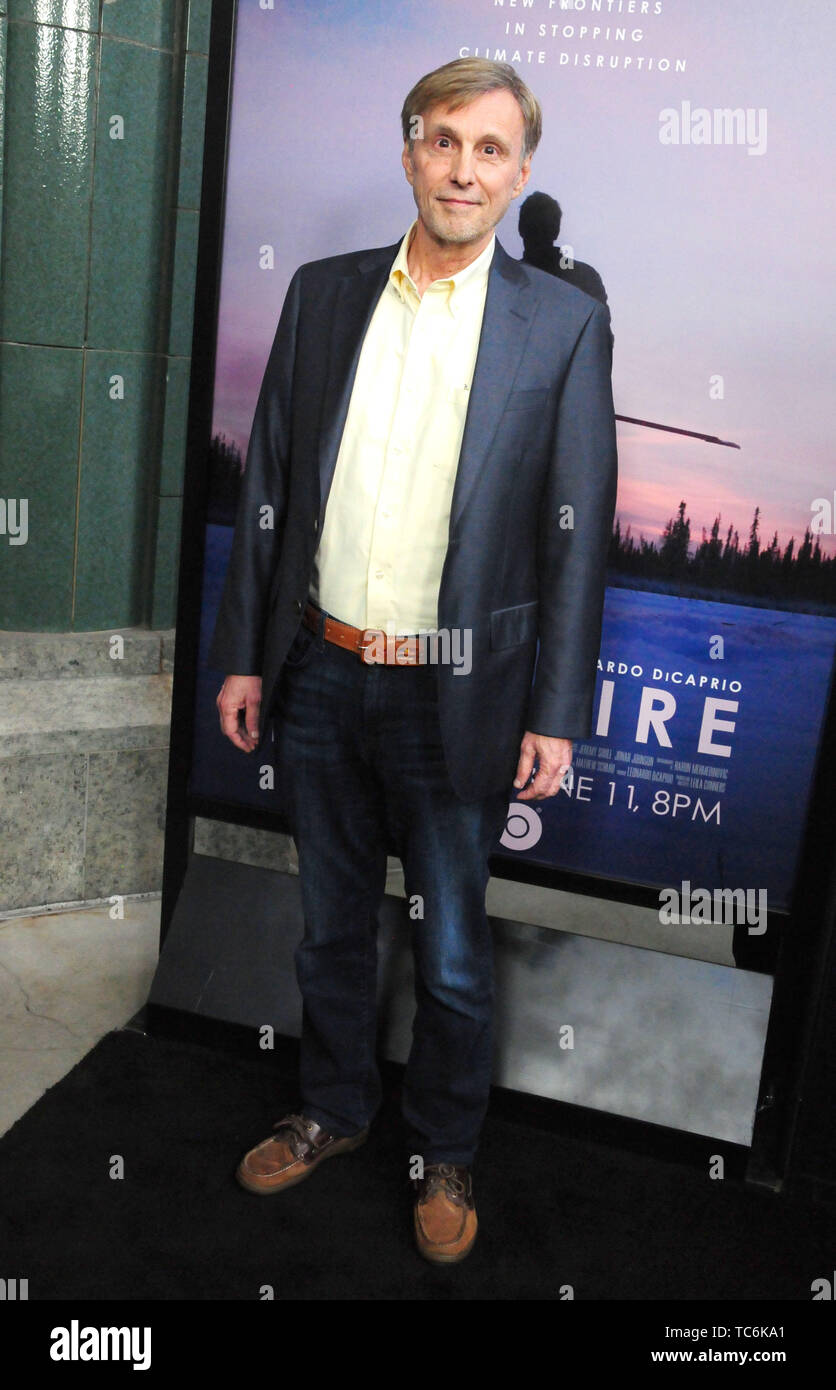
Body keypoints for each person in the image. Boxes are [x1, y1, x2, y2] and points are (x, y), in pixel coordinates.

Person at [210, 57, 617, 1265]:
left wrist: (555, 709)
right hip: (323, 671)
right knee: (332, 925)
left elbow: (577, 531)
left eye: (490, 150)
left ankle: (444, 1149)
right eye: (444, 141)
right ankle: (334, 1108)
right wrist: (244, 658)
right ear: (408, 152)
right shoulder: (327, 296)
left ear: (520, 176)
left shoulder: (561, 323)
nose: (463, 169)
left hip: (461, 691)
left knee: (445, 948)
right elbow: (272, 488)